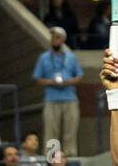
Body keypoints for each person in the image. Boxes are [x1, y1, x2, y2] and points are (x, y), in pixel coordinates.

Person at [33, 27, 83, 156]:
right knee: (51, 131)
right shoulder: (43, 58)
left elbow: (79, 76)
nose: (54, 40)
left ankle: (70, 159)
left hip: (69, 98)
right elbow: (37, 78)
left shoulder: (71, 57)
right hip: (51, 98)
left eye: (57, 37)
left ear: (63, 39)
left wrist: (68, 82)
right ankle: (51, 158)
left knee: (70, 131)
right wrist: (50, 82)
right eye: (53, 37)